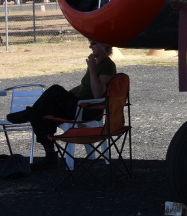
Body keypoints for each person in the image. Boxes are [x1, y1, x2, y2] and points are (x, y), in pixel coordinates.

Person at [7, 40, 116, 169]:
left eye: (93, 43)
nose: (90, 46)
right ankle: (49, 152)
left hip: (87, 109)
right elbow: (84, 86)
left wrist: (92, 69)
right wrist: (66, 95)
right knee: (44, 110)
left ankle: (32, 118)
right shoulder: (95, 63)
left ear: (105, 44)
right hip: (77, 104)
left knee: (53, 92)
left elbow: (98, 94)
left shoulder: (107, 65)